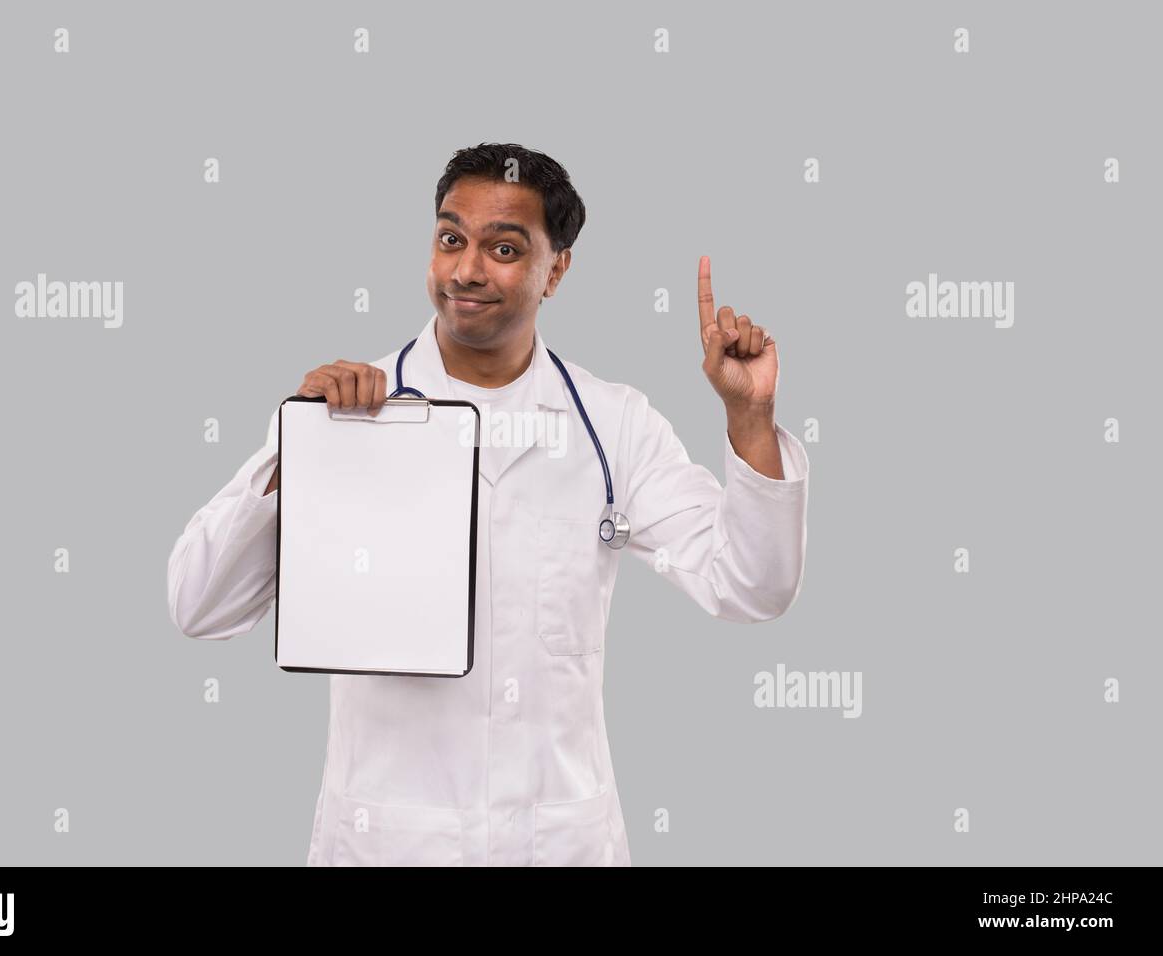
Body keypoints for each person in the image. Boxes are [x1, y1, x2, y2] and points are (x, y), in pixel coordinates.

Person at [166, 143, 810, 866]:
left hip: (561, 844)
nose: (467, 270)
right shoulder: (341, 410)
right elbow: (198, 605)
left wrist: (750, 418)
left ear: (557, 269)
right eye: (450, 240)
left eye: (505, 248)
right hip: (386, 843)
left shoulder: (614, 425)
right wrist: (300, 452)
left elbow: (751, 587)